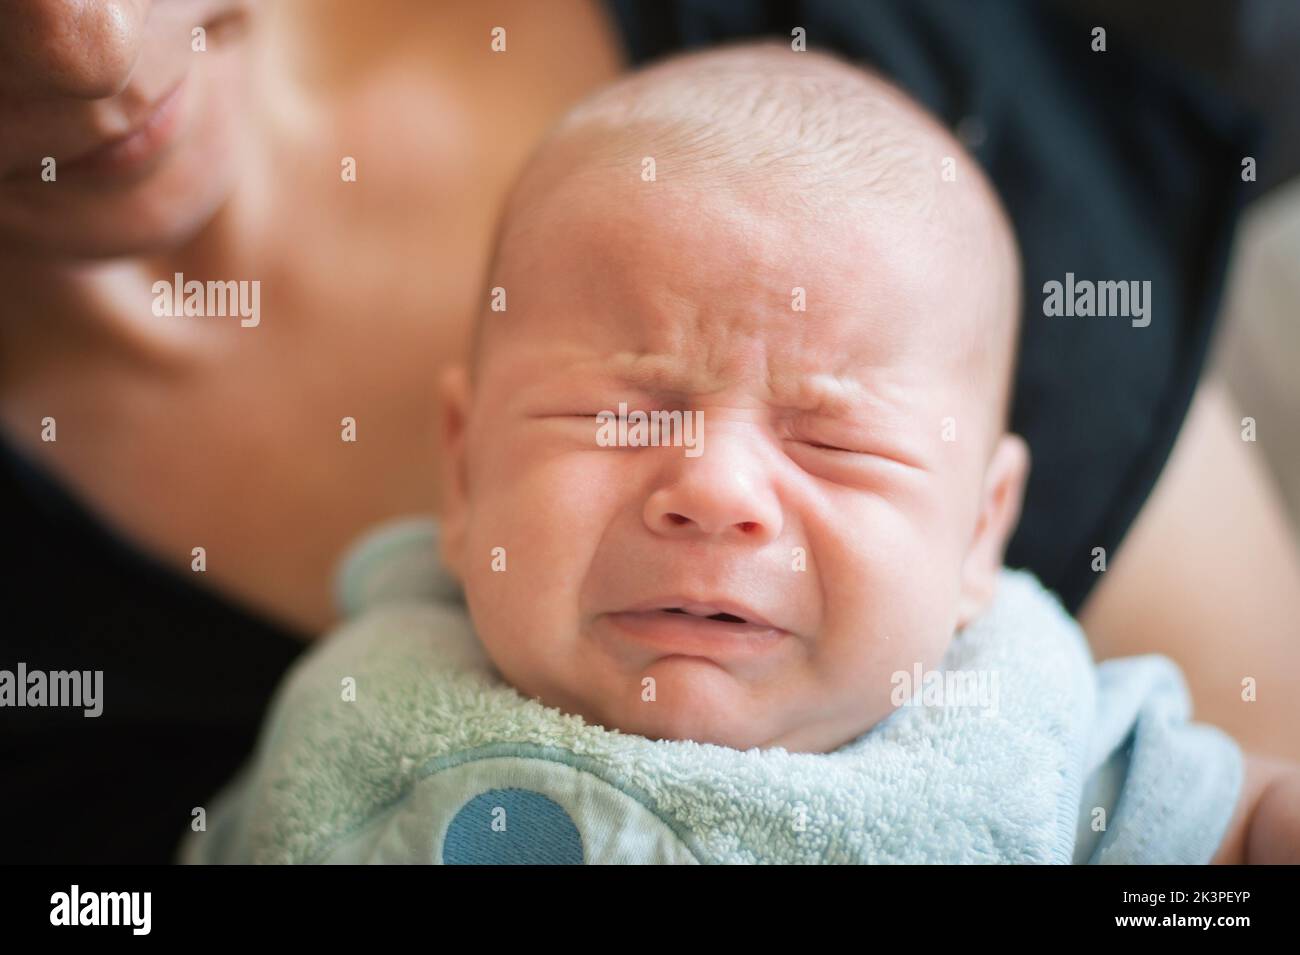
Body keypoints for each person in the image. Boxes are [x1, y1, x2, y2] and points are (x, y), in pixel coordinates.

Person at [1, 0, 1296, 864]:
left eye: (835, 443)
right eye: (620, 412)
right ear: (459, 474)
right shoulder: (353, 726)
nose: (718, 490)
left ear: (981, 535)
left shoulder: (1032, 728)